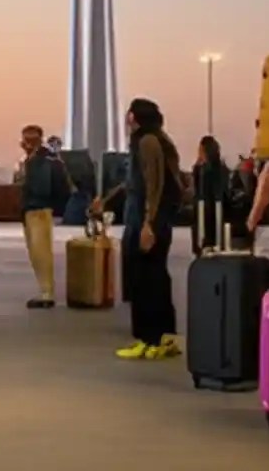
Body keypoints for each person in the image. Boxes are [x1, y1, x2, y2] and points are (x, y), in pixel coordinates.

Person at [98, 98, 183, 360]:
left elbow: (153, 185)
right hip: (149, 219)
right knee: (155, 278)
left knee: (146, 280)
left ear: (134, 117)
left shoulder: (147, 142)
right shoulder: (153, 140)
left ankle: (149, 339)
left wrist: (149, 223)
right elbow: (132, 182)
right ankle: (163, 338)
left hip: (147, 221)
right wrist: (106, 200)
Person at [19, 124, 64, 309]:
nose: (26, 143)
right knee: (36, 252)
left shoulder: (41, 160)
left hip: (38, 210)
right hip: (31, 210)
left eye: (30, 139)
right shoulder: (33, 159)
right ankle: (44, 290)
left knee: (41, 252)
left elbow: (42, 187)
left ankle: (47, 293)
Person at [193, 135, 229, 253]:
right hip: (215, 209)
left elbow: (199, 189)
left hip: (206, 209)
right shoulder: (221, 168)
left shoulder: (204, 169)